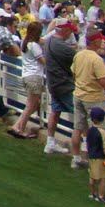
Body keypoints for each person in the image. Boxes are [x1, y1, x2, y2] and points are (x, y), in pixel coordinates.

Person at [69, 31, 105, 169]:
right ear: (95, 42)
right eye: (101, 40)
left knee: (78, 128)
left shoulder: (79, 55)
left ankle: (76, 158)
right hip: (93, 99)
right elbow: (103, 81)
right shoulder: (96, 59)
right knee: (101, 132)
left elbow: (73, 73)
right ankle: (102, 164)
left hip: (78, 95)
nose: (102, 42)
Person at [42, 16, 80, 155]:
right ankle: (83, 152)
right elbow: (79, 58)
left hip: (54, 84)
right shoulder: (62, 46)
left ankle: (50, 142)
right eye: (69, 30)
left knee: (55, 112)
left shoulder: (50, 40)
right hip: (64, 86)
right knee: (80, 116)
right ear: (64, 30)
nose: (71, 33)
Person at [6, 20, 47, 139]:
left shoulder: (25, 41)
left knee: (33, 105)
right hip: (34, 77)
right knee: (31, 105)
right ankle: (17, 127)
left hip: (26, 75)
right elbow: (42, 61)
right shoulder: (34, 45)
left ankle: (20, 127)